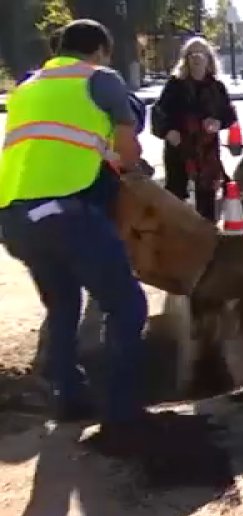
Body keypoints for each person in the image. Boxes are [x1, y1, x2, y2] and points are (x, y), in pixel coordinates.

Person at [0, 19, 149, 438]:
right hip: (64, 210)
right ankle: (122, 410)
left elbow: (59, 144)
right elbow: (128, 150)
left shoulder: (27, 87)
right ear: (101, 50)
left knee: (63, 305)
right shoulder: (100, 79)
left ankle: (68, 397)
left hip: (12, 216)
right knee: (125, 304)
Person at [151, 36, 236, 222]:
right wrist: (167, 131)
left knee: (207, 196)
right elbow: (158, 112)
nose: (196, 58)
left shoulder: (217, 87)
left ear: (209, 58)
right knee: (176, 194)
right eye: (191, 54)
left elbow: (229, 114)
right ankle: (176, 237)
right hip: (179, 147)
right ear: (186, 59)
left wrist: (218, 122)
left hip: (206, 150)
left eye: (201, 54)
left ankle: (206, 237)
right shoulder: (175, 85)